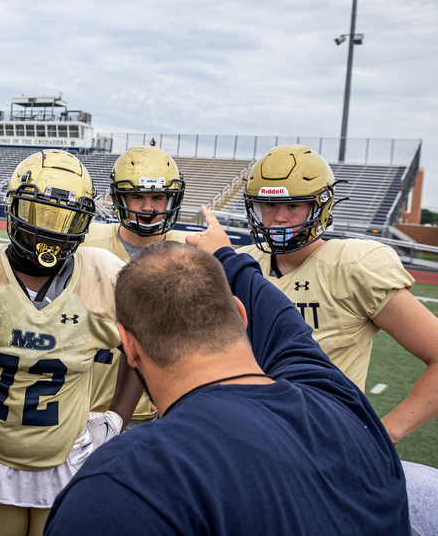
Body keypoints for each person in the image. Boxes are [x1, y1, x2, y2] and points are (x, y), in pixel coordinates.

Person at [45, 207, 410, 535]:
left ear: (130, 347)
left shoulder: (125, 482)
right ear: (239, 314)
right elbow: (284, 323)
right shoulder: (341, 401)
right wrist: (225, 255)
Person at [0, 150, 140, 536]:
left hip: (66, 456)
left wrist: (116, 419)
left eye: (67, 219)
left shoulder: (105, 278)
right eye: (38, 213)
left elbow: (145, 348)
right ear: (13, 208)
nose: (51, 231)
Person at [238, 144, 438, 441]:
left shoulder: (353, 266)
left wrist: (385, 434)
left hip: (321, 445)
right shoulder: (240, 263)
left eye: (293, 205)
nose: (278, 218)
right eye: (268, 205)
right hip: (247, 439)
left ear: (321, 206)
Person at [84, 146, 190, 423]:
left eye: (158, 197)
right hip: (80, 404)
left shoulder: (189, 254)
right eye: (137, 197)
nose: (148, 208)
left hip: (155, 415)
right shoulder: (86, 241)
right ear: (120, 198)